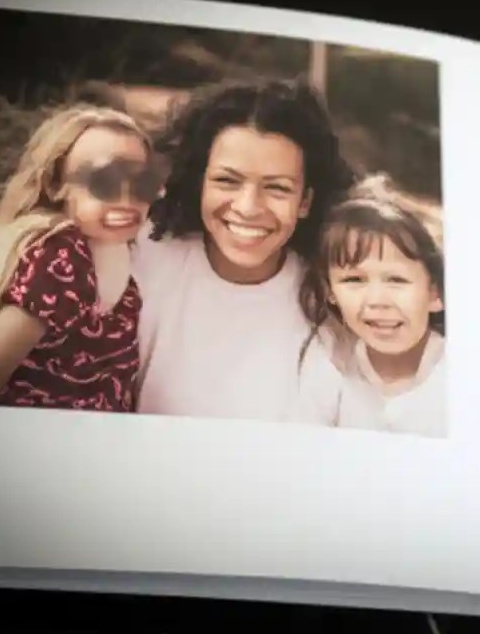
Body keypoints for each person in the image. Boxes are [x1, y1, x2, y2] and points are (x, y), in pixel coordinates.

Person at [130, 77, 356, 419]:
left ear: (305, 201)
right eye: (227, 181)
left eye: (277, 188)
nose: (248, 207)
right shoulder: (142, 257)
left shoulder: (334, 299)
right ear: (199, 181)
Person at [0, 105, 162, 411]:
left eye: (142, 183)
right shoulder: (62, 257)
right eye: (103, 181)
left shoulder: (108, 248)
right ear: (56, 185)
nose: (126, 199)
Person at [292, 174, 447, 437]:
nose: (376, 300)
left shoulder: (455, 373)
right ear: (330, 291)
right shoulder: (330, 363)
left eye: (396, 280)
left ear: (435, 293)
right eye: (354, 279)